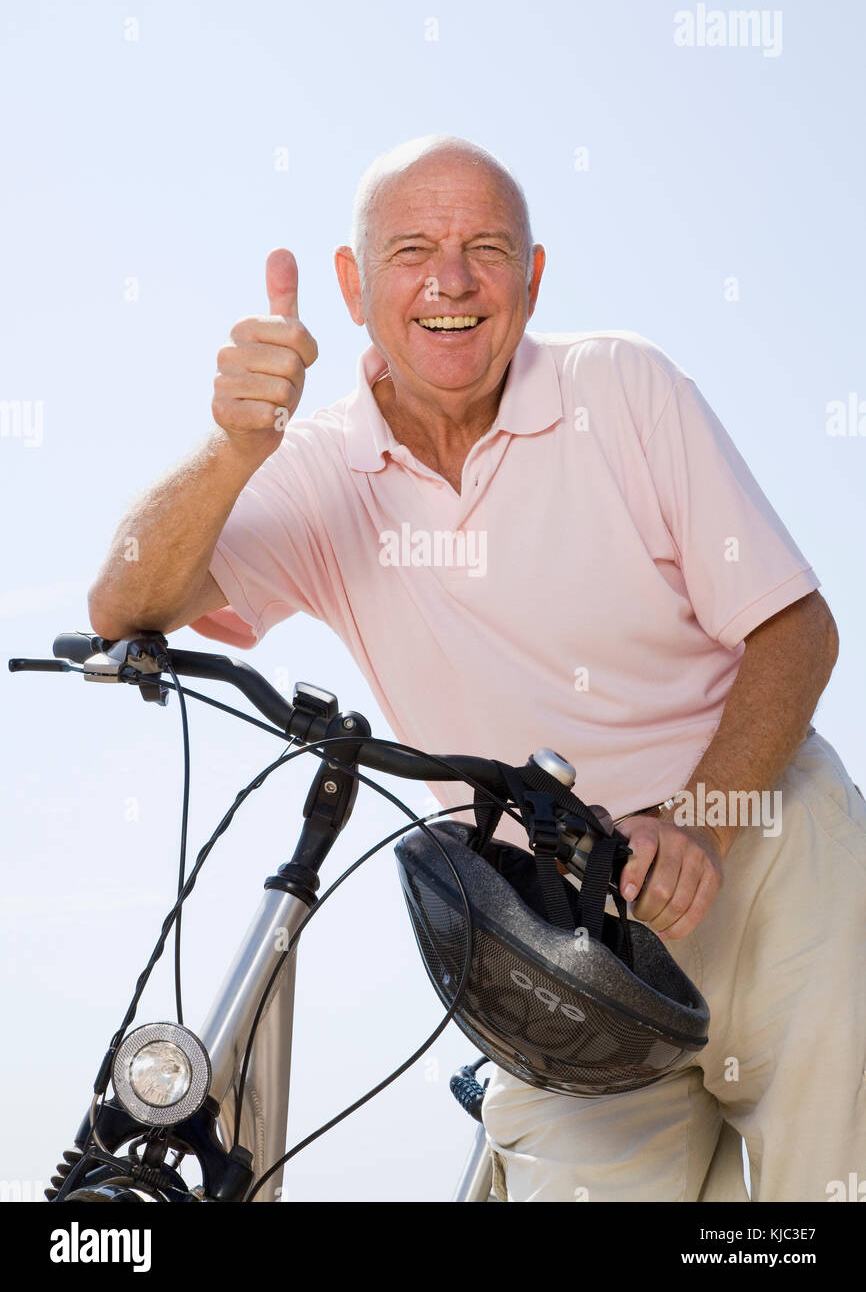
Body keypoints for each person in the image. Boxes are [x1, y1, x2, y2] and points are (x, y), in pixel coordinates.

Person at [87, 134, 866, 1202]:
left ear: (531, 277)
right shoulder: (316, 464)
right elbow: (125, 601)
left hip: (763, 850)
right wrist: (233, 449)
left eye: (485, 248)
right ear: (354, 284)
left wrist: (696, 824)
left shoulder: (623, 387)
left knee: (825, 1194)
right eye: (412, 249)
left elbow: (797, 629)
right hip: (549, 915)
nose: (450, 282)